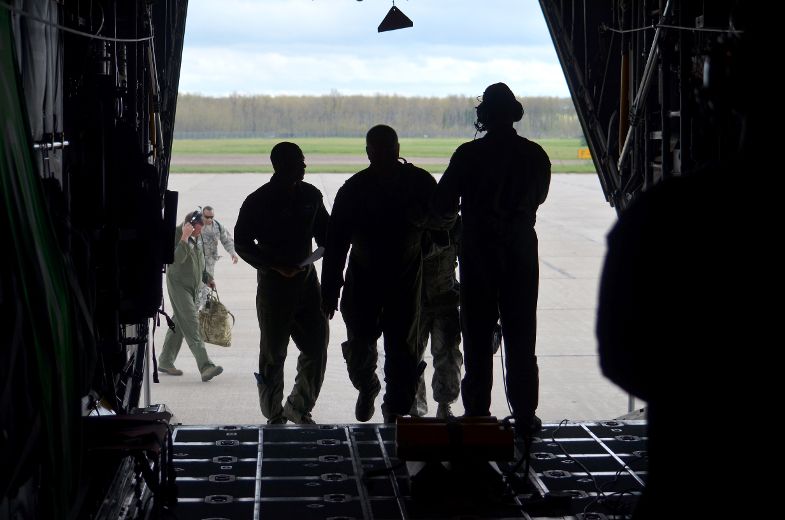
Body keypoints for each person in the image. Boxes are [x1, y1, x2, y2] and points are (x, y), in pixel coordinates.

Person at [431, 83, 551, 437]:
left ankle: (478, 417)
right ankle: (526, 416)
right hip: (520, 252)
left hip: (480, 252)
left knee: (479, 339)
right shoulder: (536, 155)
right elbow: (540, 197)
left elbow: (442, 203)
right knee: (521, 337)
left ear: (484, 116)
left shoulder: (468, 155)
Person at [321, 124, 438, 423]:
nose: (384, 154)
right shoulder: (354, 189)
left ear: (398, 149)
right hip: (364, 282)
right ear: (368, 152)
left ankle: (394, 416)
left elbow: (444, 225)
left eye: (389, 148)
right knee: (360, 351)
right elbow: (336, 244)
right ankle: (368, 386)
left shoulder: (420, 183)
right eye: (378, 149)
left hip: (406, 282)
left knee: (403, 356)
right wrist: (330, 290)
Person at [234, 142, 329, 425]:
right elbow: (242, 243)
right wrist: (275, 266)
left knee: (316, 346)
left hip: (307, 282)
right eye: (299, 161)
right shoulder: (258, 201)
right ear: (282, 165)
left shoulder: (312, 195)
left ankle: (299, 407)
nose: (304, 166)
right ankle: (273, 413)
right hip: (274, 287)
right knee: (274, 352)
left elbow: (326, 234)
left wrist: (316, 260)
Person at [158, 210, 224, 382]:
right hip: (179, 286)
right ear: (190, 225)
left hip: (192, 287)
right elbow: (176, 259)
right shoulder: (176, 235)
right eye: (198, 229)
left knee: (180, 322)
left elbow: (198, 258)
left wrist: (206, 277)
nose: (200, 232)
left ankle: (165, 360)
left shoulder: (197, 234)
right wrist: (184, 238)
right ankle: (205, 366)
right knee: (192, 323)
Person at [410, 221, 463, 419]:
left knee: (448, 355)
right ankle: (416, 409)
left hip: (445, 297)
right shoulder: (415, 218)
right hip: (417, 301)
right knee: (413, 357)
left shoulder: (455, 224)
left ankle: (444, 403)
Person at [198, 205, 239, 307]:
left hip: (210, 264)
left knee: (205, 292)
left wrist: (233, 253)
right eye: (207, 217)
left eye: (212, 217)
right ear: (202, 215)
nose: (210, 219)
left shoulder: (218, 226)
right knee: (199, 292)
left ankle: (203, 316)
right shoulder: (197, 226)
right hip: (197, 263)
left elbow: (227, 240)